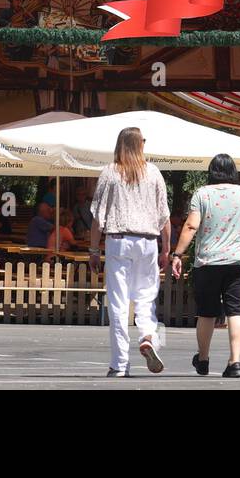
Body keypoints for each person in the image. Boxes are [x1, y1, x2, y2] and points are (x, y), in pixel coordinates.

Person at [88, 126, 171, 377]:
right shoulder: (154, 173)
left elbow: (97, 218)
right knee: (145, 296)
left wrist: (93, 249)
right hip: (147, 242)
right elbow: (164, 215)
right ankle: (146, 335)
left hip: (119, 240)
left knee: (119, 303)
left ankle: (120, 364)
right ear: (139, 145)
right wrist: (166, 249)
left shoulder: (110, 173)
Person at [171, 153, 240, 378]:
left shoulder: (202, 194)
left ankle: (203, 359)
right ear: (233, 172)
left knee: (207, 313)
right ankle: (235, 362)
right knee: (236, 312)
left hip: (208, 262)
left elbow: (191, 226)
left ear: (211, 171)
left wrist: (177, 254)